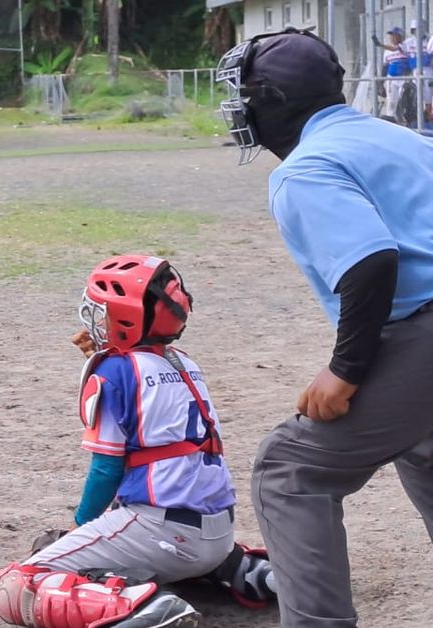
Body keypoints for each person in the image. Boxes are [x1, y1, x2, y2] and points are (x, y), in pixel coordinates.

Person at [218, 28, 433, 627]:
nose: (239, 108)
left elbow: (372, 261)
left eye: (246, 95)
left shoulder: (306, 168)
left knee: (290, 470)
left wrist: (345, 370)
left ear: (275, 102)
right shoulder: (402, 137)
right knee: (422, 447)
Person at [0, 255, 276, 628]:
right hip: (218, 536)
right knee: (134, 534)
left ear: (126, 320)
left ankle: (146, 609)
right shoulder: (184, 363)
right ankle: (250, 573)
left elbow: (106, 469)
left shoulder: (114, 372)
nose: (96, 319)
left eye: (103, 312)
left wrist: (81, 526)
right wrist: (108, 359)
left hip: (164, 533)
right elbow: (144, 393)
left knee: (18, 583)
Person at [371, 27, 410, 122]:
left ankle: (404, 121)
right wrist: (381, 83)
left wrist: (380, 44)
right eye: (391, 36)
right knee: (391, 102)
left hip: (403, 78)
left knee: (403, 100)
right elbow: (385, 67)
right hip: (391, 78)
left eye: (394, 35)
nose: (392, 38)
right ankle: (390, 120)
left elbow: (394, 49)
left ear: (400, 36)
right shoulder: (387, 52)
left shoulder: (404, 46)